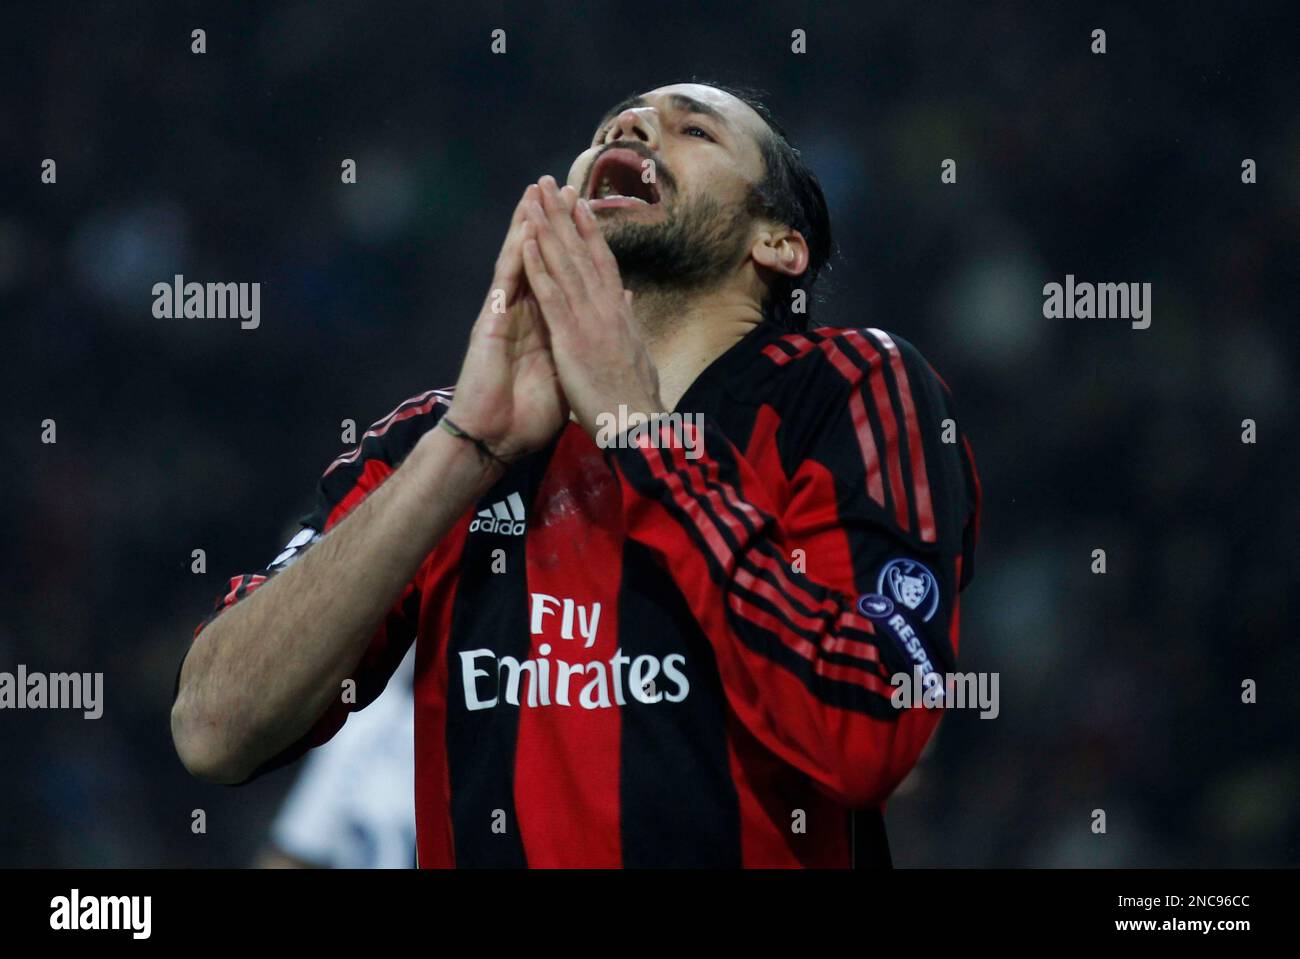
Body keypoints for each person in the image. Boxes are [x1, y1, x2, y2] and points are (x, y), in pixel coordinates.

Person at [172, 82, 982, 867]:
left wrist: (643, 439)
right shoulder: (439, 439)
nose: (632, 127)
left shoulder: (845, 387)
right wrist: (467, 447)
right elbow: (212, 729)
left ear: (777, 243)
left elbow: (872, 723)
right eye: (615, 125)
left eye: (694, 130)